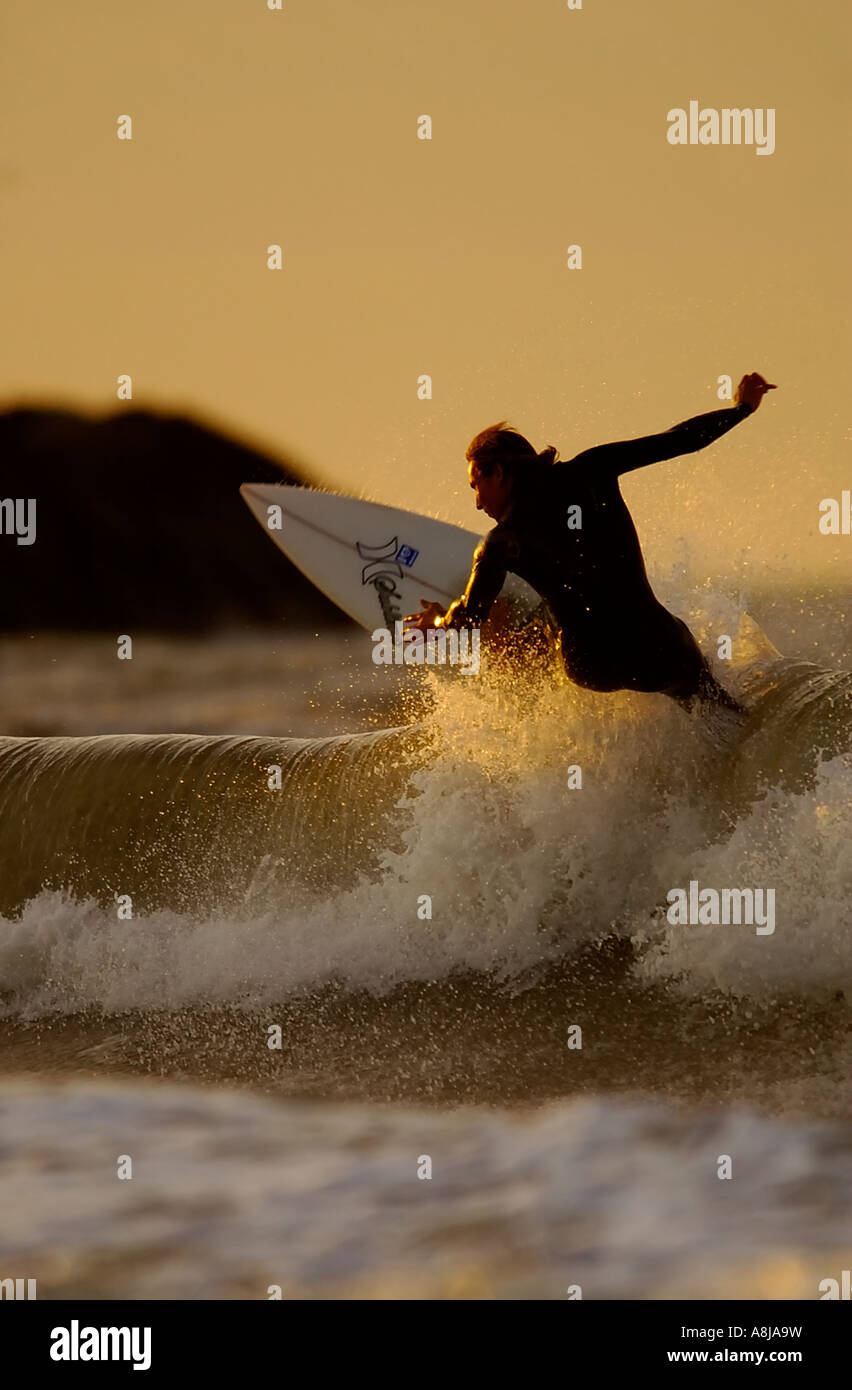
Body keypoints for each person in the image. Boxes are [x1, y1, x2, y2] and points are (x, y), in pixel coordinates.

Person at [404, 373, 776, 710]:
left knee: (549, 621)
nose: (477, 502)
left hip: (591, 664)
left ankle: (518, 655)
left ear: (499, 473)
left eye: (477, 486)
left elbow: (467, 620)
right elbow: (680, 441)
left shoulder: (499, 543)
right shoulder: (593, 468)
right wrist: (743, 408)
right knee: (713, 703)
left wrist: (438, 618)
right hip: (659, 649)